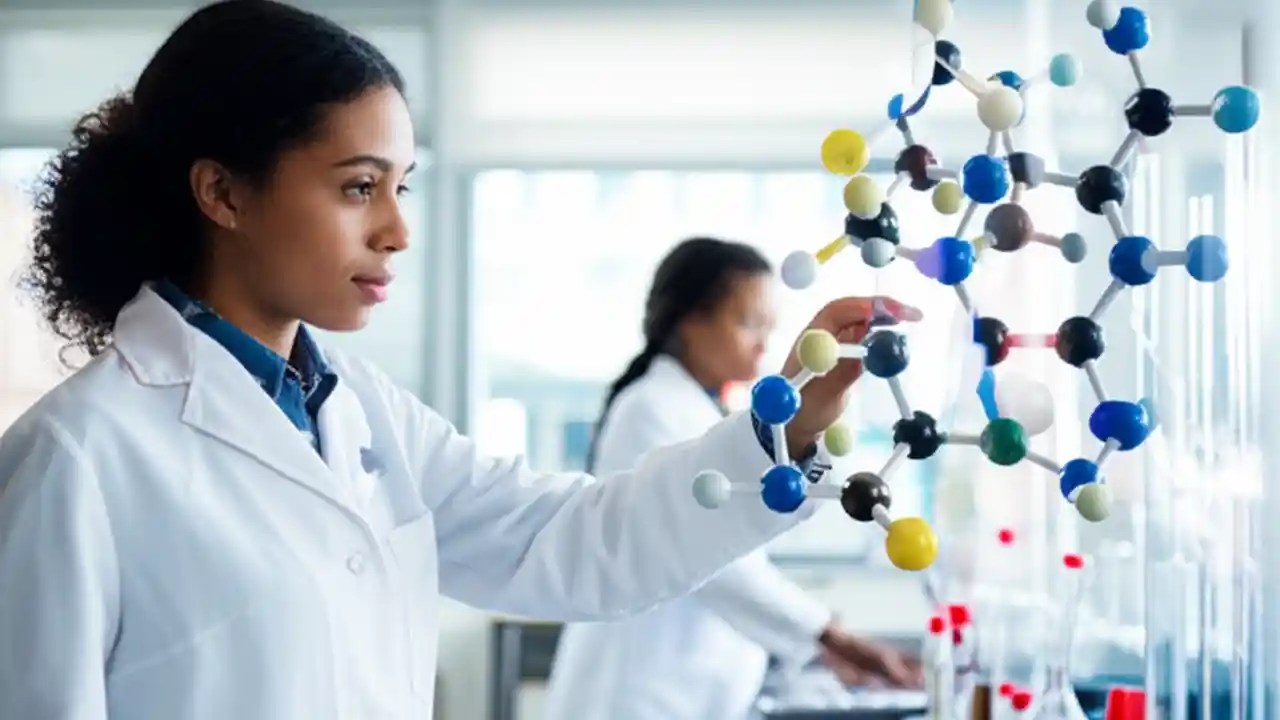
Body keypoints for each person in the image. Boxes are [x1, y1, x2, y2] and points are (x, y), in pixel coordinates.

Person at [0, 2, 921, 719]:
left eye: (401, 186)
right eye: (359, 187)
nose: (398, 230)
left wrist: (782, 429)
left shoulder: (359, 410)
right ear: (223, 193)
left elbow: (574, 542)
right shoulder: (75, 457)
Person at [543, 238, 922, 720]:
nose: (763, 343)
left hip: (685, 690)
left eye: (769, 327)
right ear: (688, 321)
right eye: (747, 323)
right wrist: (828, 634)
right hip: (640, 692)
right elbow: (715, 558)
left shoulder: (700, 410)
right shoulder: (652, 408)